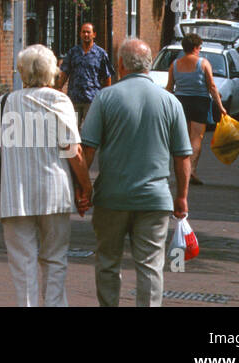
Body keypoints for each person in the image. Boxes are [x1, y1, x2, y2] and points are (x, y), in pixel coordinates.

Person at [79, 38, 191, 307]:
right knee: (151, 266)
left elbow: (88, 150)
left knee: (107, 262)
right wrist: (182, 196)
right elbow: (182, 157)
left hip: (112, 197)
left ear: (120, 65)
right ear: (149, 66)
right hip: (155, 198)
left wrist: (84, 189)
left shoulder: (105, 97)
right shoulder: (170, 102)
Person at [0, 45, 92, 307]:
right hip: (54, 193)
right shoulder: (59, 101)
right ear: (51, 72)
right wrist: (86, 188)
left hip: (14, 194)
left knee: (23, 263)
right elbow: (73, 152)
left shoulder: (0, 104)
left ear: (21, 73)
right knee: (55, 258)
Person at [166, 32, 227, 186]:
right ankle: (192, 168)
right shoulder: (204, 63)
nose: (200, 50)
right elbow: (212, 86)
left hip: (181, 102)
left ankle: (183, 169)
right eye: (199, 47)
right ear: (195, 48)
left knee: (184, 137)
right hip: (200, 102)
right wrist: (220, 106)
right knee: (196, 137)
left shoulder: (175, 65)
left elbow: (169, 88)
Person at [56, 22, 116, 125]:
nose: (86, 35)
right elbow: (65, 72)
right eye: (83, 32)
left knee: (90, 131)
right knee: (72, 130)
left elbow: (107, 77)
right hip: (74, 99)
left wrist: (105, 97)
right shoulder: (73, 52)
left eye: (88, 32)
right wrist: (59, 87)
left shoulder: (101, 54)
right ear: (80, 34)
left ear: (94, 34)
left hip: (92, 100)